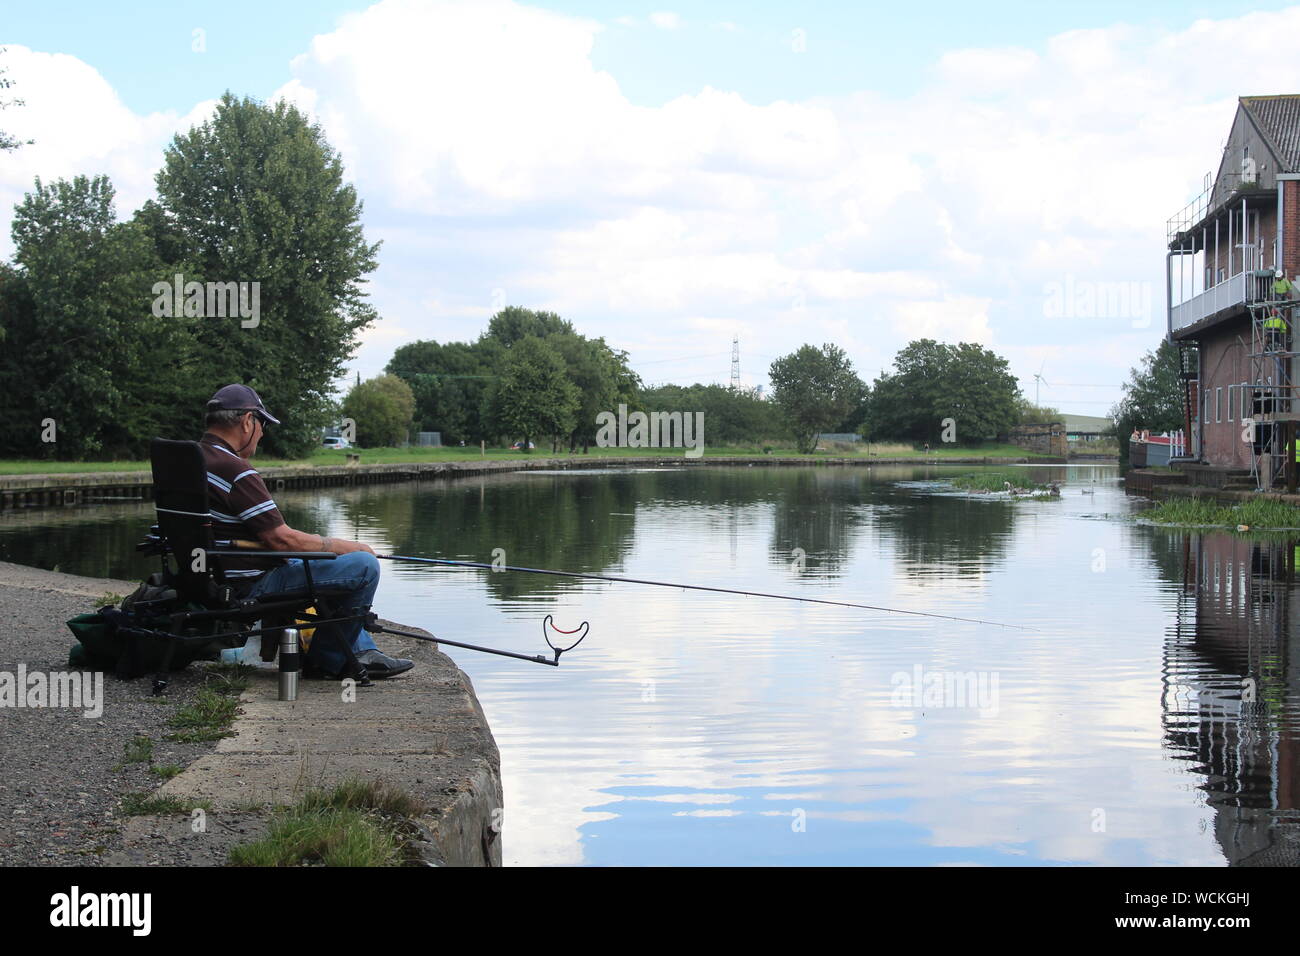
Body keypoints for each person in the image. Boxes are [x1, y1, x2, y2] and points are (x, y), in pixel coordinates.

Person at [199, 384, 413, 679]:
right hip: (247, 585)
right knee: (363, 566)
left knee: (318, 561)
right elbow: (282, 539)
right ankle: (327, 662)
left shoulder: (190, 460)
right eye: (262, 424)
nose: (262, 433)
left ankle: (362, 650)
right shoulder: (235, 470)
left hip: (209, 576)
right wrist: (351, 546)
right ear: (248, 421)